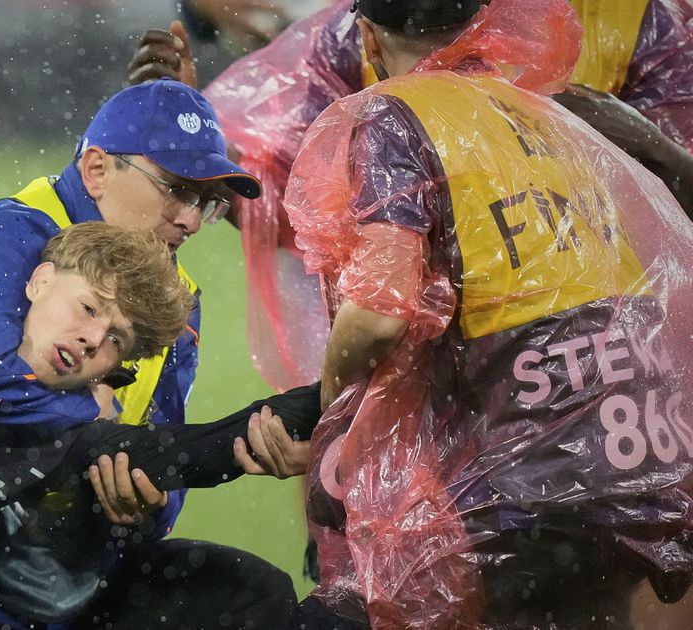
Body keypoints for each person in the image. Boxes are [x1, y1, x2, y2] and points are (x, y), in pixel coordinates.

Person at [0, 79, 308, 629]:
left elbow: (161, 477)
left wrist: (147, 501)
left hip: (63, 568)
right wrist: (97, 422)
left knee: (255, 595)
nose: (192, 220)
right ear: (97, 170)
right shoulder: (18, 228)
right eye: (176, 189)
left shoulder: (179, 307)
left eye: (207, 202)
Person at [282, 0, 693, 627]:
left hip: (521, 465)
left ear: (366, 37)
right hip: (636, 446)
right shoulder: (549, 111)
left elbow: (379, 313)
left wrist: (335, 407)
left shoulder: (398, 117)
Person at [130, 0, 693, 393]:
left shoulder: (648, 26)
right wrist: (190, 131)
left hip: (610, 362)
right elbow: (290, 212)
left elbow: (672, 210)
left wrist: (332, 404)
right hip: (468, 388)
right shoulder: (363, 34)